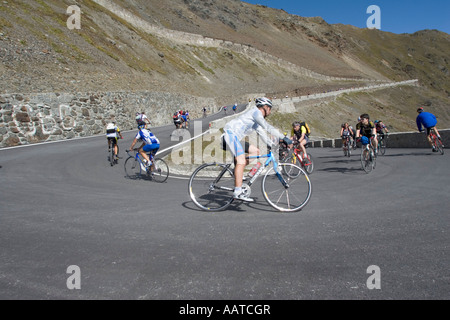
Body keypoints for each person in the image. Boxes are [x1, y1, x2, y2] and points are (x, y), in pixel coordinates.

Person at [221, 97, 292, 202]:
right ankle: (237, 191)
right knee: (241, 160)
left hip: (235, 138)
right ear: (265, 107)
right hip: (230, 135)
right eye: (270, 109)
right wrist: (283, 137)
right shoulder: (256, 113)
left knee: (255, 151)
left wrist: (273, 146)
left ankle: (237, 172)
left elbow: (263, 134)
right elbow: (267, 127)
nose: (270, 112)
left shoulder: (255, 120)